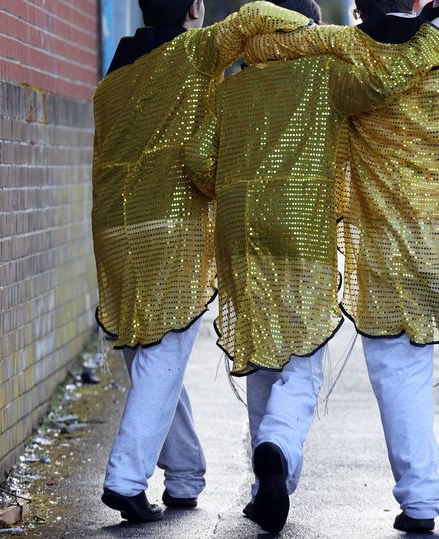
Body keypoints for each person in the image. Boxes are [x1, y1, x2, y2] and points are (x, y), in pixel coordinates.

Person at [244, 0, 439, 531]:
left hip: (386, 246)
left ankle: (418, 501)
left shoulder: (346, 51)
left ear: (357, 6)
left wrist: (313, 32)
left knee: (398, 372)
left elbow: (260, 49)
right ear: (414, 2)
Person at [186, 0, 439, 531]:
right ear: (307, 30)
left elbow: (199, 162)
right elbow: (381, 86)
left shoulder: (231, 86)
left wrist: (234, 188)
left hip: (239, 233)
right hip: (301, 229)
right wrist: (433, 42)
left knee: (261, 353)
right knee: (303, 358)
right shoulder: (326, 74)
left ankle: (267, 481)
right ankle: (277, 449)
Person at [91, 0, 310, 523]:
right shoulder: (197, 50)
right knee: (164, 353)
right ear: (195, 7)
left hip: (111, 228)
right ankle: (125, 476)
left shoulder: (110, 78)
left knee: (147, 356)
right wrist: (317, 31)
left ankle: (185, 473)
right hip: (168, 225)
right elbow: (258, 12)